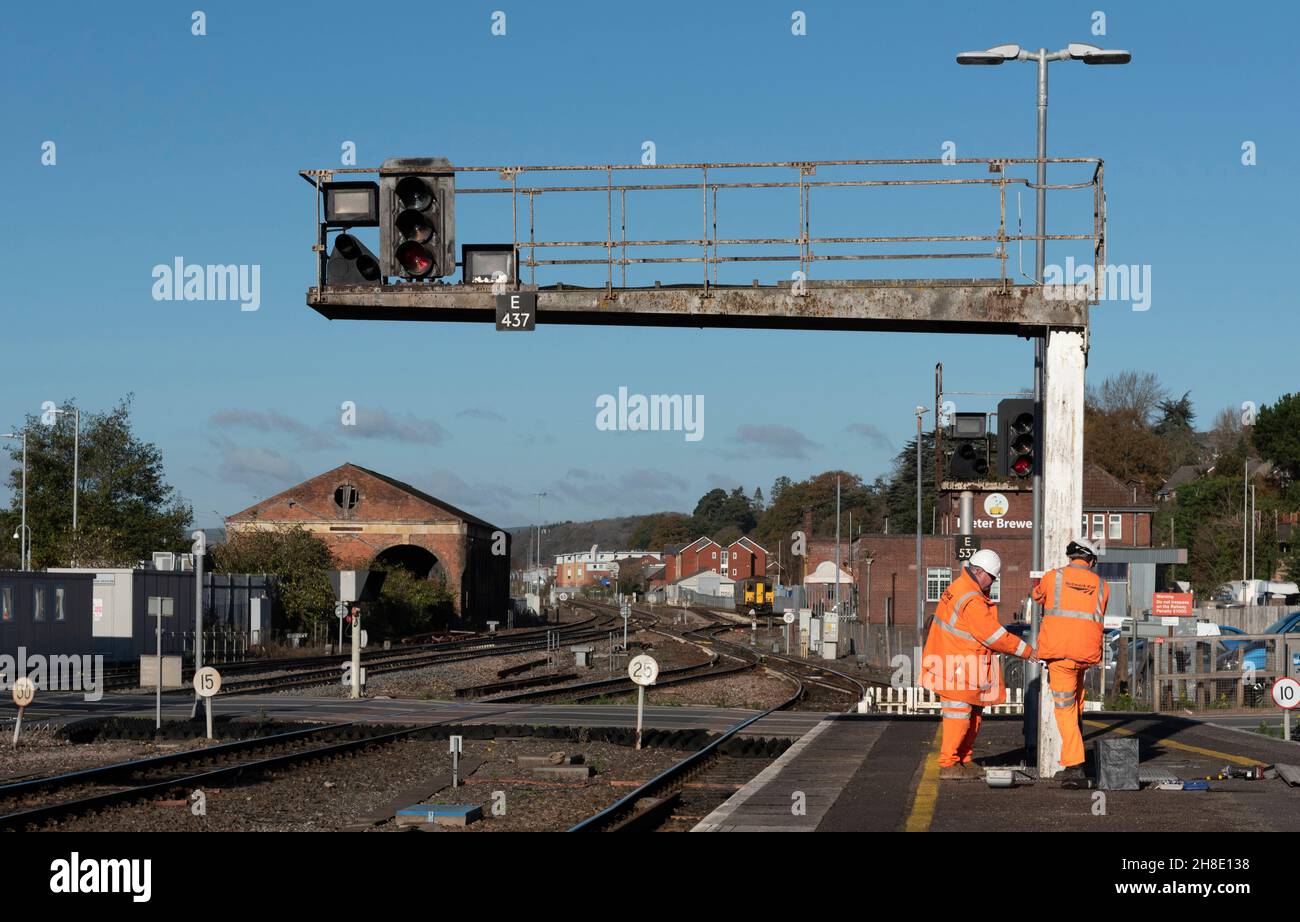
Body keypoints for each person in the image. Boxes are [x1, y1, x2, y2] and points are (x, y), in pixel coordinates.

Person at [920, 549, 1036, 780]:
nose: (993, 583)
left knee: (972, 714)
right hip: (959, 667)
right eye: (992, 578)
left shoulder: (960, 588)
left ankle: (963, 759)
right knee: (959, 715)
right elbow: (991, 635)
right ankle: (949, 763)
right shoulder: (971, 598)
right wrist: (1026, 650)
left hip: (960, 664)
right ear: (980, 572)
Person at [1032, 538, 1110, 784]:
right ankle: (1071, 761)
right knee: (1075, 705)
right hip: (1085, 654)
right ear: (1092, 561)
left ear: (1070, 556)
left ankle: (1075, 765)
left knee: (1064, 710)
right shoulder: (1102, 585)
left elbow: (1037, 596)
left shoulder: (1052, 577)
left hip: (1060, 654)